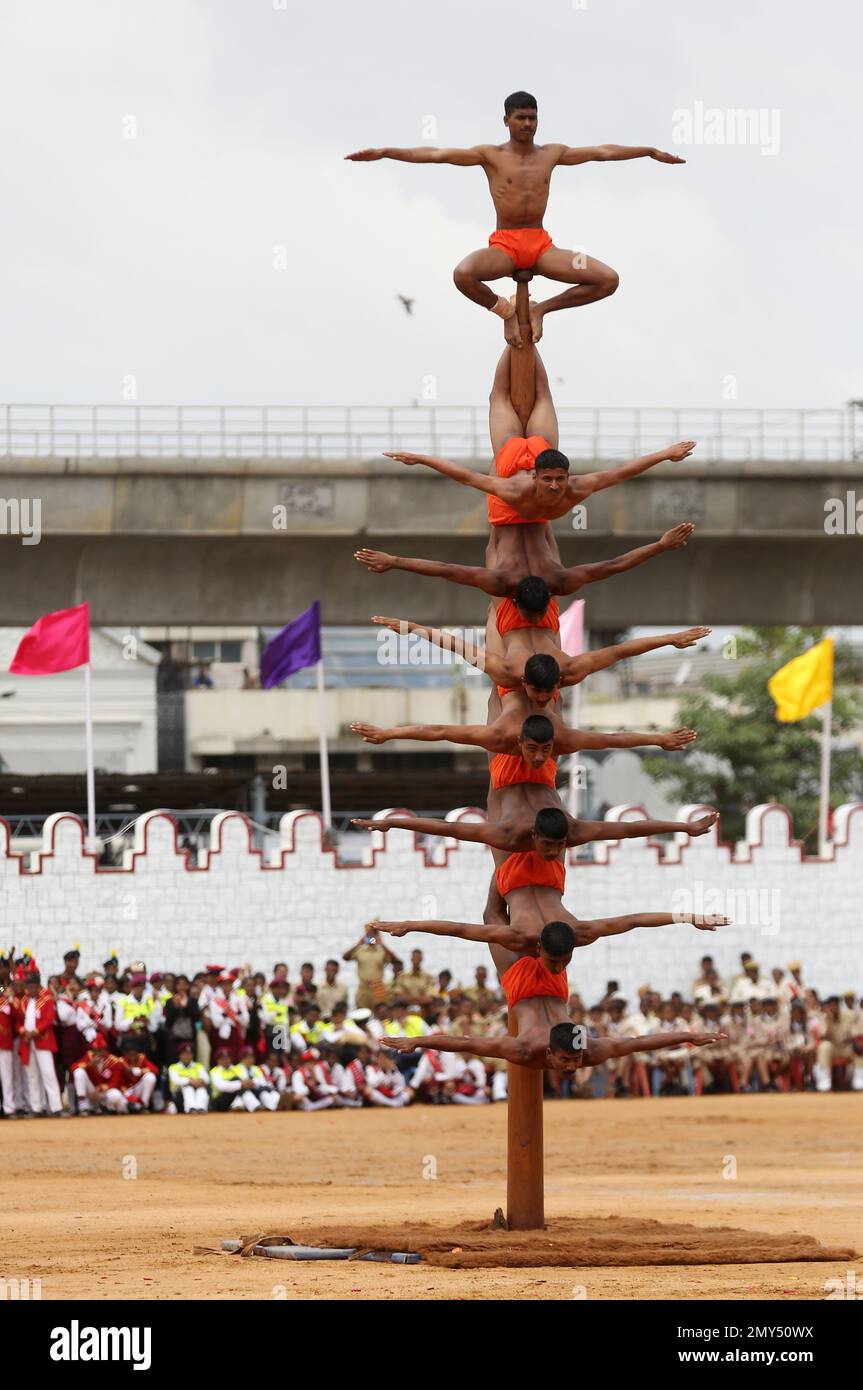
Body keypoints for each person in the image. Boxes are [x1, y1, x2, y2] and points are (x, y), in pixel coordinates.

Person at [346, 90, 683, 344]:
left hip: (542, 246)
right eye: (520, 118)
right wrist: (385, 152)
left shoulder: (552, 153)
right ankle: (505, 312)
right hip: (505, 246)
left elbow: (602, 153)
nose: (527, 124)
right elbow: (436, 154)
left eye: (532, 118)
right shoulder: (489, 155)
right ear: (506, 120)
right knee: (463, 274)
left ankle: (541, 309)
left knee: (607, 279)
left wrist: (649, 152)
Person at [385, 922, 723, 1076]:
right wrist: (418, 1040)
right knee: (491, 922)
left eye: (574, 1059)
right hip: (522, 983)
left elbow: (640, 1042)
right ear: (548, 1052)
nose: (573, 1065)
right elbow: (467, 1041)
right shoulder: (523, 1048)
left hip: (553, 982)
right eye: (566, 1060)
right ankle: (497, 870)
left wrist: (690, 1037)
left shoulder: (588, 1050)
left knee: (508, 933)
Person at [354, 805, 719, 868]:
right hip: (508, 799)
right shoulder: (509, 835)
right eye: (549, 845)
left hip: (542, 789)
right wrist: (393, 824)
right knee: (491, 911)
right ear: (534, 835)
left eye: (560, 846)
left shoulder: (574, 833)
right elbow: (450, 828)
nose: (554, 851)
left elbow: (626, 828)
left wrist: (684, 828)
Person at [18, 971, 63, 1116]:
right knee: (32, 1076)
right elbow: (18, 1020)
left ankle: (56, 1107)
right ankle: (36, 1107)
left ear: (38, 986)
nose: (31, 990)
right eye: (28, 987)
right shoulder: (23, 1001)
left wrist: (34, 1032)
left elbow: (48, 1020)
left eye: (33, 987)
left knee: (48, 1074)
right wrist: (23, 1032)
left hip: (42, 1041)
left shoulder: (47, 999)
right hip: (26, 1042)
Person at [342, 926, 400, 1010]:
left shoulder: (382, 951)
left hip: (378, 987)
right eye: (369, 935)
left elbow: (395, 961)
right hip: (363, 987)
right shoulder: (360, 951)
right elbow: (345, 957)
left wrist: (382, 944)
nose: (371, 938)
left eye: (373, 935)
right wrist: (358, 944)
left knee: (381, 1011)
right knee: (361, 1012)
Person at [167, 1040, 210, 1113]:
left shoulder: (198, 1066)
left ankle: (201, 1108)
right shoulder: (173, 1067)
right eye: (184, 1054)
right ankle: (191, 1108)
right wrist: (190, 1081)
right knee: (188, 1088)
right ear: (180, 1055)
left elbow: (207, 1079)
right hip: (179, 1097)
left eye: (189, 1054)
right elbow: (176, 1081)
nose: (187, 1056)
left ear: (192, 1055)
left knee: (201, 1089)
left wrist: (197, 1082)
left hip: (197, 1092)